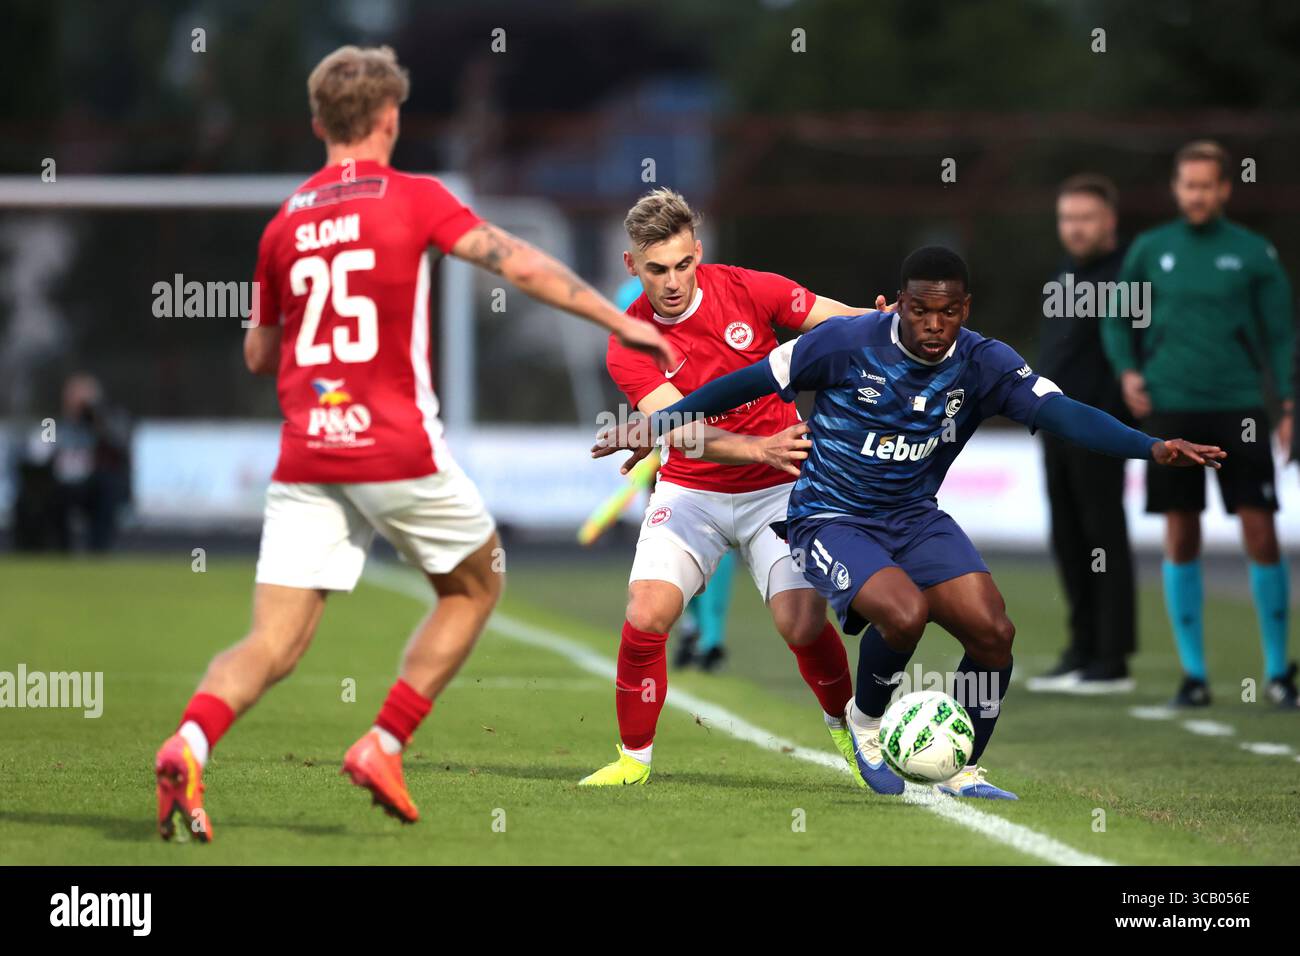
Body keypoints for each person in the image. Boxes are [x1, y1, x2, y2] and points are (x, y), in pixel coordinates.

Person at [152, 45, 676, 841]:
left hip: (307, 454)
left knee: (276, 640)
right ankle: (383, 742)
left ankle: (189, 741)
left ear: (319, 122)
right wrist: (620, 319)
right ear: (390, 120)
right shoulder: (415, 198)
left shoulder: (284, 222)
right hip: (393, 447)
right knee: (475, 585)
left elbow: (260, 355)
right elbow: (520, 264)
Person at [598, 246, 1224, 799]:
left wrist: (1150, 447)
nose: (933, 325)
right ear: (898, 305)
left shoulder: (985, 364)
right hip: (828, 515)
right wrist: (657, 427)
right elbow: (743, 383)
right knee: (903, 613)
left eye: (947, 313)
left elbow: (1062, 414)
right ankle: (866, 728)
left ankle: (961, 767)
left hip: (913, 517)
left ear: (965, 310)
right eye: (920, 310)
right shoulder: (844, 344)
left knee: (993, 632)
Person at [582, 187, 878, 787]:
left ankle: (848, 733)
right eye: (656, 269)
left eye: (683, 264)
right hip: (693, 491)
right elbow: (680, 430)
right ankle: (632, 761)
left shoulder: (748, 288)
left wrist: (887, 321)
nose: (672, 281)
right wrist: (754, 447)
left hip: (780, 488)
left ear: (699, 250)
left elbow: (835, 321)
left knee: (799, 625)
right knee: (646, 613)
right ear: (631, 266)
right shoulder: (628, 342)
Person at [1101, 140, 1298, 709]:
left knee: (1260, 530)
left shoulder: (1254, 254)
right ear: (1176, 187)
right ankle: (1193, 676)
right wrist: (1128, 372)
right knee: (1180, 530)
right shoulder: (1151, 249)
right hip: (1171, 409)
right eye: (1188, 184)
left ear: (1225, 189)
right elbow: (1117, 318)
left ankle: (1279, 673)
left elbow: (1281, 335)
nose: (1197, 194)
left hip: (1239, 409)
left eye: (1207, 184)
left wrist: (1287, 404)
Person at [1026, 175, 1138, 695]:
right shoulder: (1063, 274)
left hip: (1100, 428)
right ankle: (1080, 649)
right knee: (1068, 537)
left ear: (1109, 221)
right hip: (1056, 427)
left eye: (1085, 218)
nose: (1074, 228)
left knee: (1103, 537)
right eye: (1067, 218)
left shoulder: (1129, 275)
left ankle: (1110, 659)